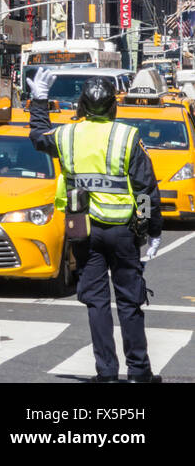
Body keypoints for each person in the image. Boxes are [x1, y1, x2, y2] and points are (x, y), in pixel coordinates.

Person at [29, 68, 164, 383]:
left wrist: (39, 101)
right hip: (123, 233)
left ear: (81, 106)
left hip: (83, 230)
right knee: (130, 302)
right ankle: (139, 372)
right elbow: (145, 189)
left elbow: (38, 137)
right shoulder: (127, 136)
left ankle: (106, 373)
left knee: (96, 302)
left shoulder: (66, 135)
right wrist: (152, 228)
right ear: (113, 107)